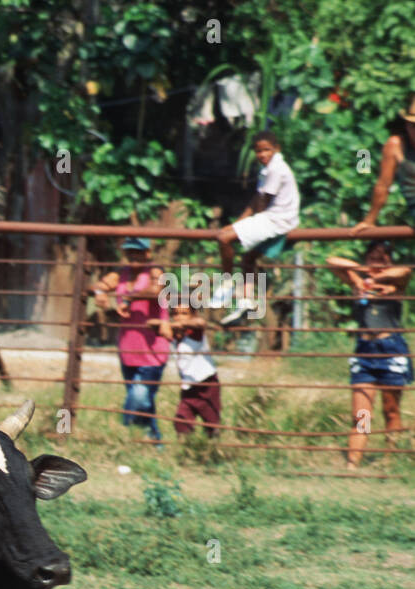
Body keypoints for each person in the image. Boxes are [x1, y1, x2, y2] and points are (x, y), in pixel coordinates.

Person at [326, 240, 412, 469]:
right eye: (373, 255)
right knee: (362, 413)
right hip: (364, 351)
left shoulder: (396, 284)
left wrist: (377, 279)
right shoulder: (357, 283)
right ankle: (353, 464)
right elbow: (331, 261)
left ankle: (391, 459)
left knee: (391, 409)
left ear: (389, 259)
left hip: (390, 349)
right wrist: (362, 276)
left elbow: (405, 270)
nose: (378, 260)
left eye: (383, 256)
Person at [93, 236, 171, 443]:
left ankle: (121, 431)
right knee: (144, 399)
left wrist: (129, 297)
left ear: (147, 253)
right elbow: (99, 285)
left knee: (139, 396)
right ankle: (152, 439)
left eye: (138, 251)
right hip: (128, 349)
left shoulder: (156, 271)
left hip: (154, 348)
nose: (134, 256)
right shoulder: (121, 274)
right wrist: (100, 292)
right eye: (130, 252)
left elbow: (157, 290)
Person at [215, 131, 299, 320]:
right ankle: (246, 300)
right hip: (272, 216)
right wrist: (239, 223)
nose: (262, 155)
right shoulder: (267, 169)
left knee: (223, 238)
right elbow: (256, 200)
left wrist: (240, 228)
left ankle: (227, 281)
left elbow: (263, 201)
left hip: (277, 219)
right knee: (247, 258)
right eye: (259, 151)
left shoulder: (276, 168)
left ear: (276, 149)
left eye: (267, 150)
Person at [353, 95, 415, 237]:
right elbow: (383, 185)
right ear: (406, 125)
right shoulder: (395, 145)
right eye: (412, 125)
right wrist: (370, 220)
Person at [170, 289, 221, 437]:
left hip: (207, 385)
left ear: (193, 315)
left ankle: (212, 451)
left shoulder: (195, 331)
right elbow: (152, 324)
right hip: (188, 387)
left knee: (211, 424)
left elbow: (200, 322)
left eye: (184, 313)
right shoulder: (176, 334)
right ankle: (185, 453)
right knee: (181, 421)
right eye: (176, 313)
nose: (179, 317)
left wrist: (182, 324)